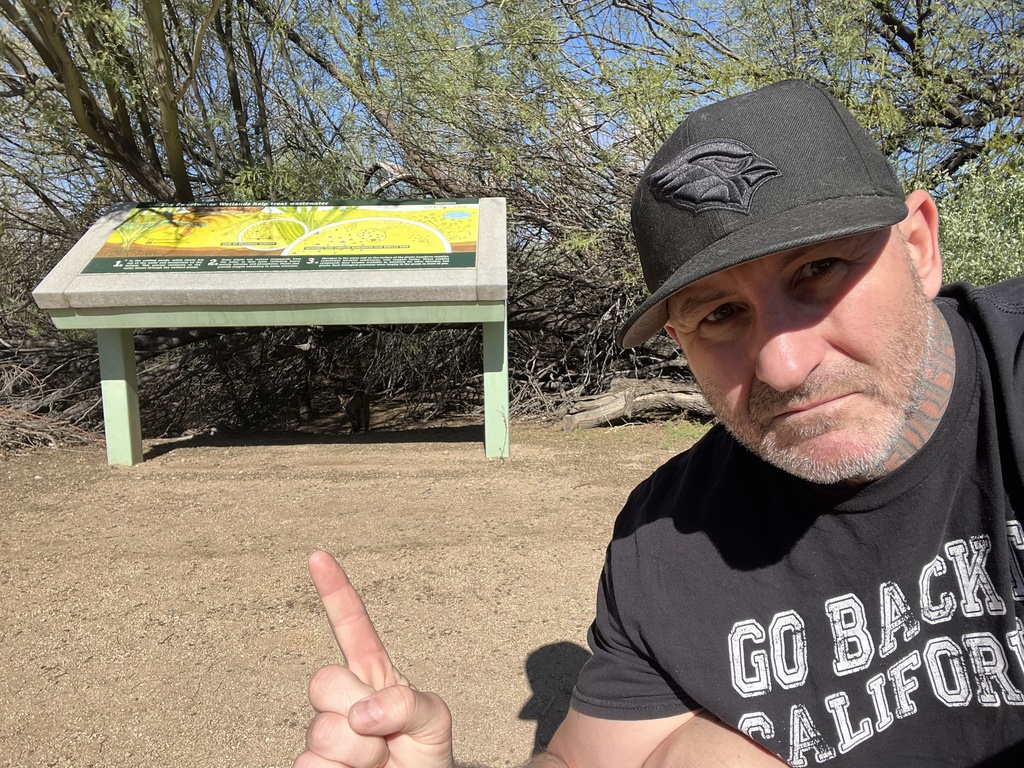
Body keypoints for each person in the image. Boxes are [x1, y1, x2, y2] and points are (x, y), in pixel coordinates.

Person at [292, 79, 1024, 767]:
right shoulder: (667, 541)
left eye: (819, 269)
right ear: (679, 341)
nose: (783, 365)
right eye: (721, 313)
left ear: (918, 248)